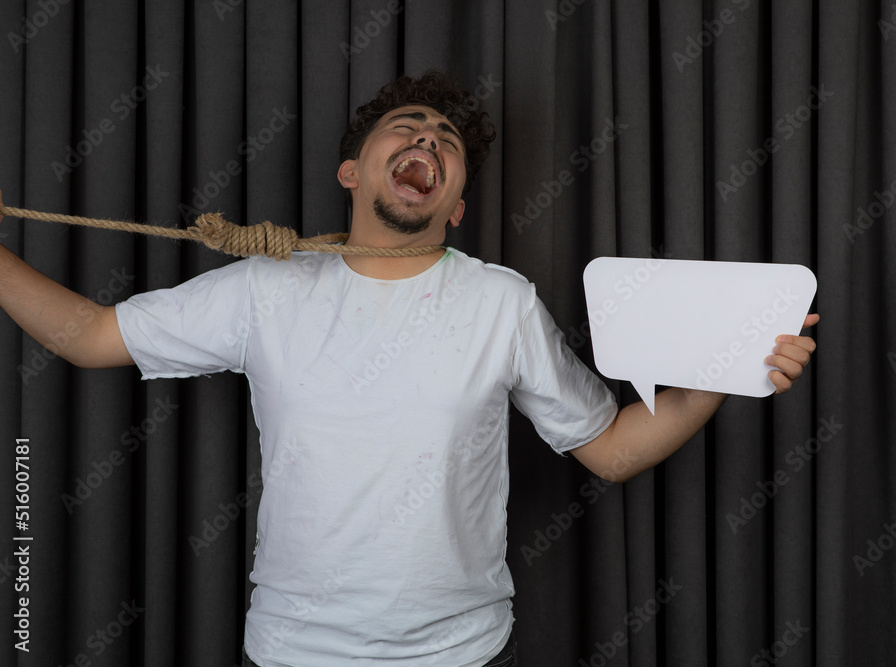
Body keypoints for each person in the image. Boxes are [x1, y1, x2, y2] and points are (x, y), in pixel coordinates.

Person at [0, 70, 818, 666]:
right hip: (292, 651)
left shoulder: (501, 302)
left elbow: (612, 449)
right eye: (409, 125)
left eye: (447, 140)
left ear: (455, 204)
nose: (428, 137)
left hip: (464, 653)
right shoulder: (265, 289)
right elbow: (89, 333)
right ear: (353, 171)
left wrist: (730, 363)